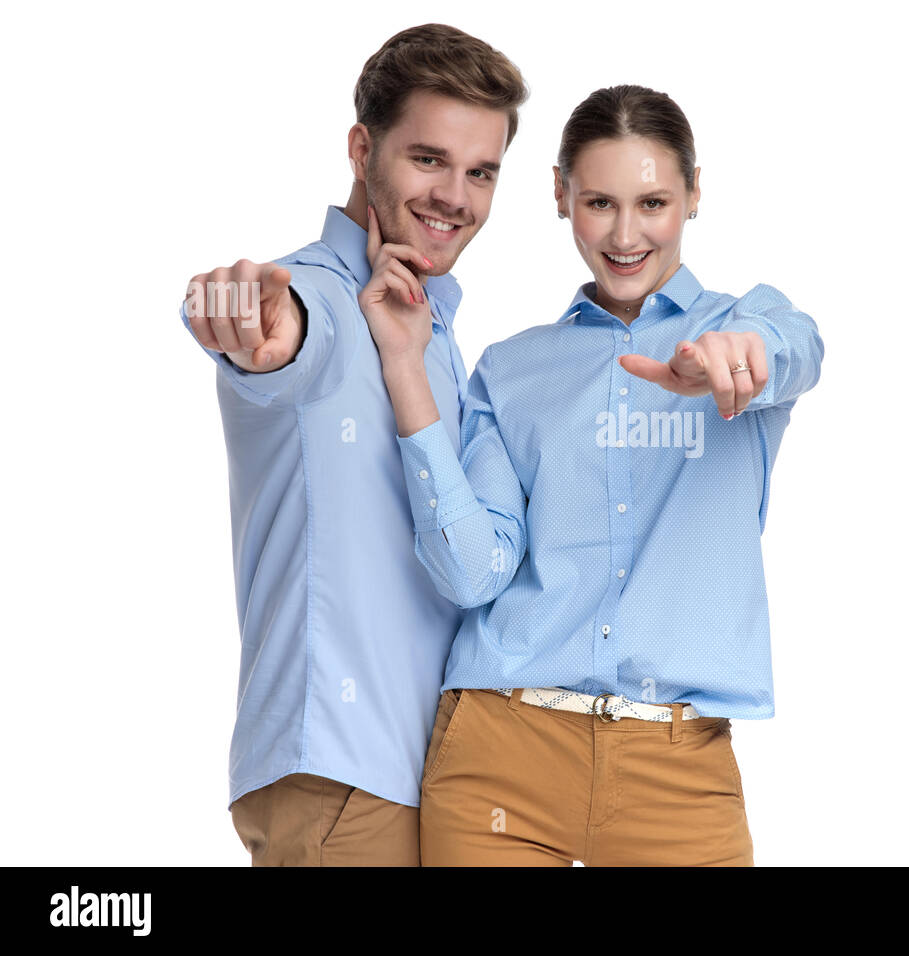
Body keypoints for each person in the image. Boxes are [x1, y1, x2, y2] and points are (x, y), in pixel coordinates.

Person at [360, 84, 825, 866]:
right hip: (500, 752)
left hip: (678, 770)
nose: (624, 233)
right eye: (599, 202)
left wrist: (740, 357)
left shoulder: (746, 325)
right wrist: (405, 367)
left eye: (653, 203)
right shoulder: (512, 370)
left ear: (694, 195)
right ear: (559, 194)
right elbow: (475, 575)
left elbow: (797, 347)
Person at [177, 24, 528, 865]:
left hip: (411, 785)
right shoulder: (318, 296)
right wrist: (251, 325)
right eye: (428, 159)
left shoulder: (433, 331)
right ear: (361, 148)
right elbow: (285, 337)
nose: (456, 196)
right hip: (342, 780)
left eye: (480, 172)